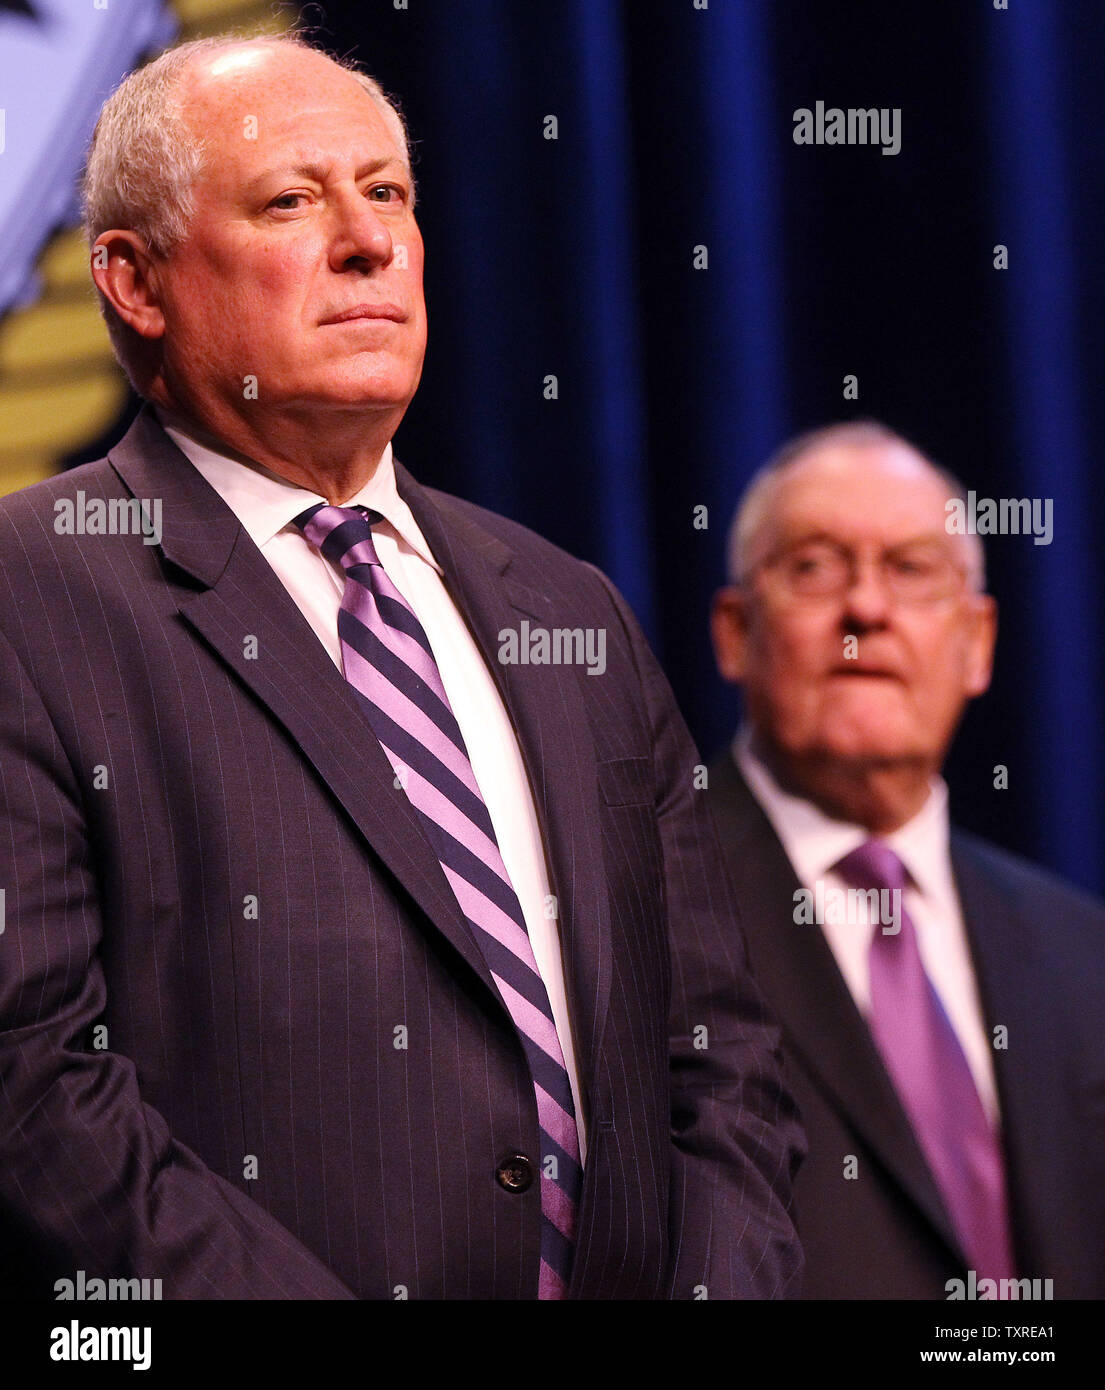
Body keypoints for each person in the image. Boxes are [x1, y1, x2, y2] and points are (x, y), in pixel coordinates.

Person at [0, 33, 804, 1300]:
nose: (371, 241)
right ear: (134, 280)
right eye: (290, 201)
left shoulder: (565, 608)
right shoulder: (31, 595)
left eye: (388, 193)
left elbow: (716, 1056)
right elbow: (32, 1083)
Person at [707, 420, 1105, 1299]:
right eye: (813, 566)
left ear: (977, 642)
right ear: (735, 632)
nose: (867, 609)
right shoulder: (646, 896)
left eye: (912, 569)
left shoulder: (1080, 952)